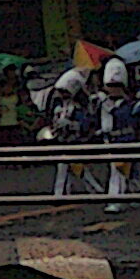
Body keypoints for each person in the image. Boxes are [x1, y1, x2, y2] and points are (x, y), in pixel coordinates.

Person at [97, 58, 140, 214]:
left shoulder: (130, 104)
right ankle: (136, 195)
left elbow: (129, 118)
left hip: (125, 139)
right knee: (123, 172)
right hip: (110, 139)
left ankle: (117, 200)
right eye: (110, 86)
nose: (112, 89)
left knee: (121, 171)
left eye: (116, 86)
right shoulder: (102, 102)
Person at [43, 68, 101, 197]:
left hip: (73, 140)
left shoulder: (78, 105)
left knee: (67, 167)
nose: (61, 94)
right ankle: (88, 189)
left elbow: (85, 123)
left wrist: (70, 124)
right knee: (73, 167)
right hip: (62, 139)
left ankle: (61, 193)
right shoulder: (58, 105)